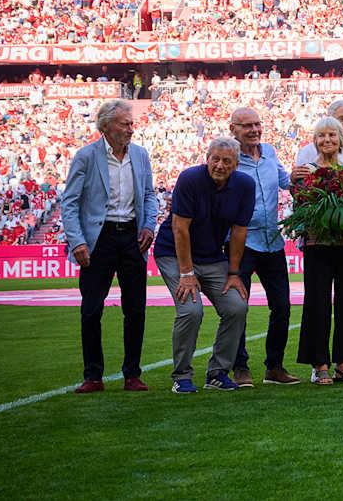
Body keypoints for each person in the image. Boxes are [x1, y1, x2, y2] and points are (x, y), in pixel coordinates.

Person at [62, 99, 158, 393]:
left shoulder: (140, 156)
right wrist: (77, 240)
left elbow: (150, 196)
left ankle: (132, 373)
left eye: (131, 123)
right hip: (98, 239)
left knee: (136, 309)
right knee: (91, 309)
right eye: (124, 124)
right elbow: (70, 202)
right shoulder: (86, 156)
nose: (131, 128)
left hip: (132, 237)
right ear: (105, 126)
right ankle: (93, 375)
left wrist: (148, 226)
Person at [152, 137, 254, 393]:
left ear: (237, 164)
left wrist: (234, 273)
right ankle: (182, 376)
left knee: (236, 306)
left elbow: (240, 231)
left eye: (226, 161)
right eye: (215, 159)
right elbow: (179, 229)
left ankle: (218, 372)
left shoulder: (245, 185)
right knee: (191, 310)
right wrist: (186, 273)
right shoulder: (189, 179)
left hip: (211, 256)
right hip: (174, 253)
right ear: (206, 158)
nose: (219, 165)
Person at [294, 117, 343, 386]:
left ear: (341, 139)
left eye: (332, 135)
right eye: (322, 136)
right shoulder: (306, 172)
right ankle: (320, 364)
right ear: (315, 141)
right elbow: (301, 209)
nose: (327, 140)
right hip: (318, 246)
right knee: (318, 303)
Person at [229, 107, 299, 386]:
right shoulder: (228, 156)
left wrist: (302, 178)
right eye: (247, 126)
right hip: (240, 243)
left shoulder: (269, 150)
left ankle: (275, 367)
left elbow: (285, 181)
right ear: (233, 128)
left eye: (257, 124)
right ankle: (239, 367)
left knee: (282, 307)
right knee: (238, 308)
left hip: (272, 241)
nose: (254, 130)